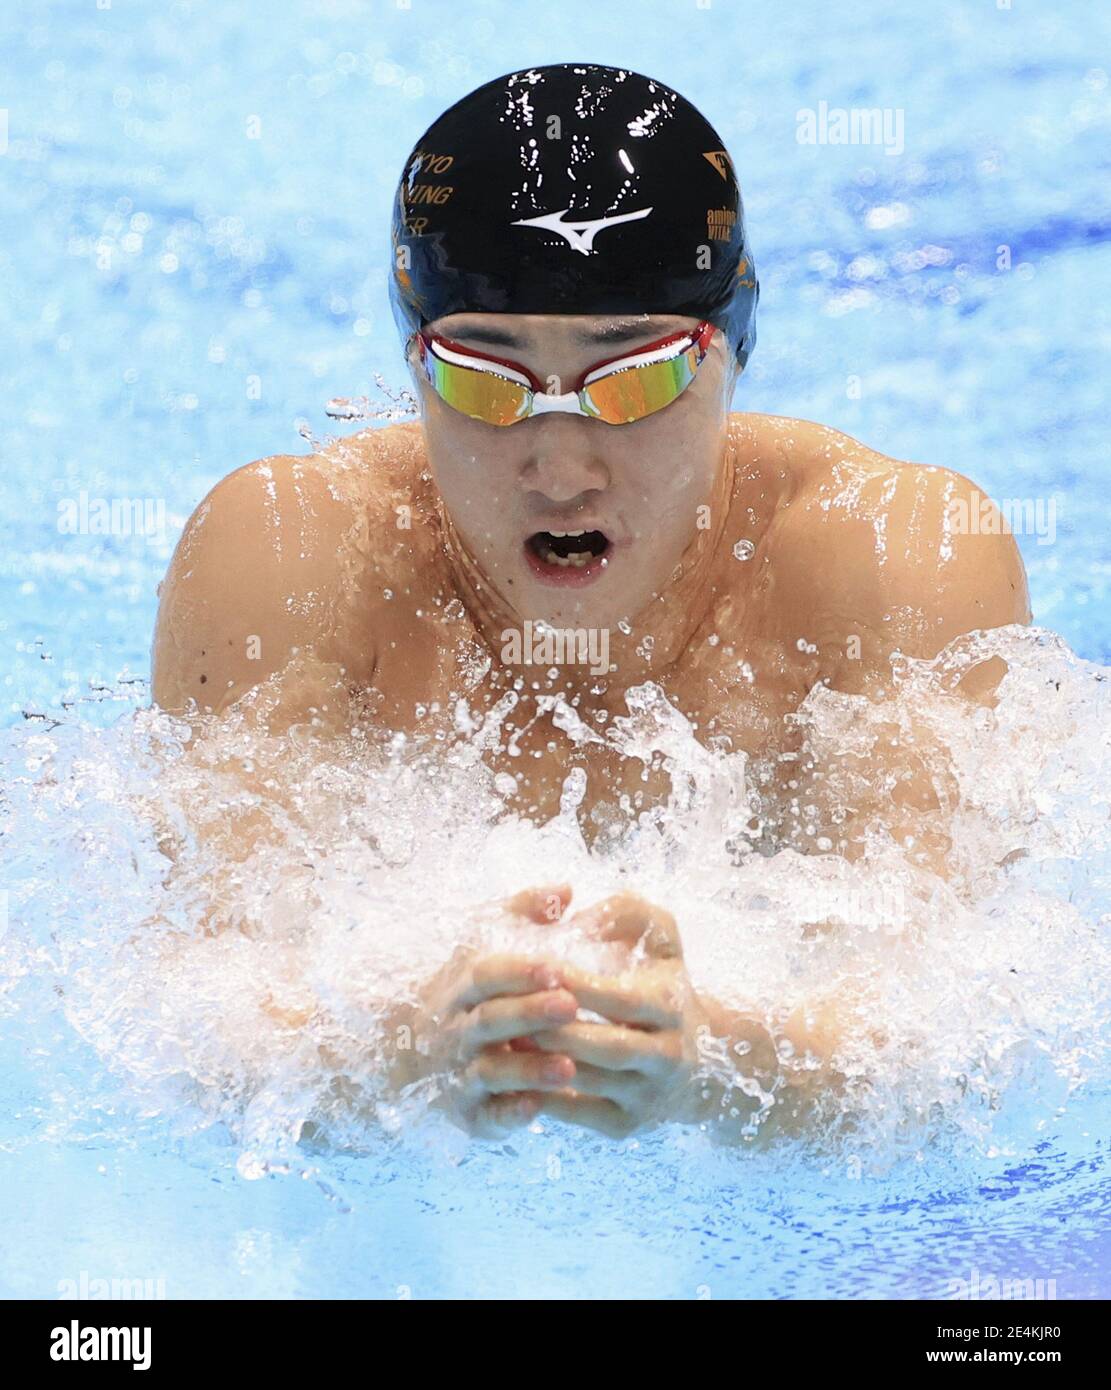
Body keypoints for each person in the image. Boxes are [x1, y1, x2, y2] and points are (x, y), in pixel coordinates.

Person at [151, 65, 1029, 1139]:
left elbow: (950, 1042)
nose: (561, 469)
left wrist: (721, 1061)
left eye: (635, 377)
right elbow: (201, 1022)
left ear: (732, 349)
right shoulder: (293, 555)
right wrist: (396, 1056)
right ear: (414, 361)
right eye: (484, 378)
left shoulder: (893, 554)